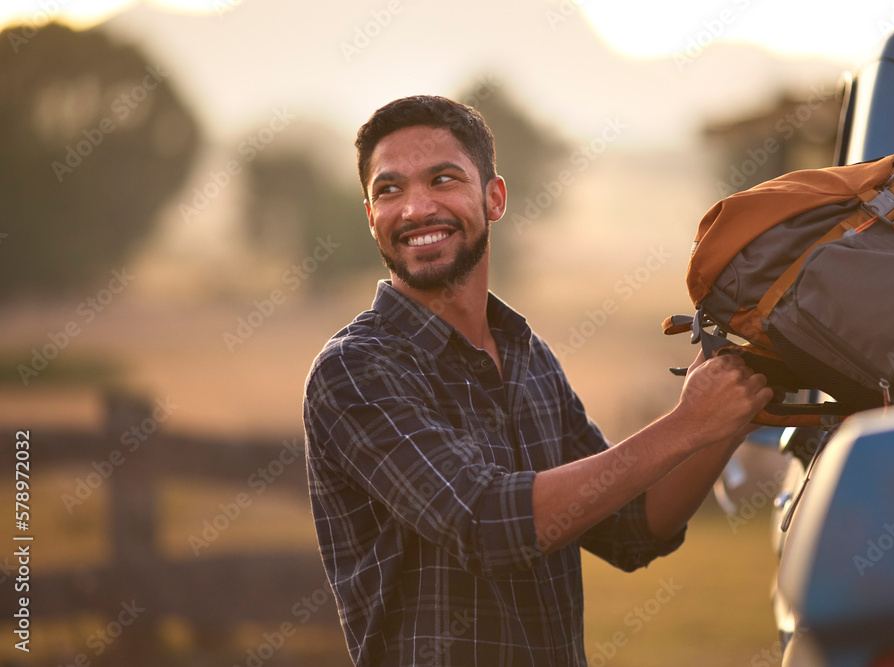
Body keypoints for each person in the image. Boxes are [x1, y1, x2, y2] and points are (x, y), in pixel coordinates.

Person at [303, 95, 773, 666]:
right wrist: (685, 423)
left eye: (442, 179)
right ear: (371, 214)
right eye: (389, 190)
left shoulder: (528, 357)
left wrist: (732, 402)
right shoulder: (355, 370)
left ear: (493, 197)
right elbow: (482, 522)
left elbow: (633, 528)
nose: (415, 208)